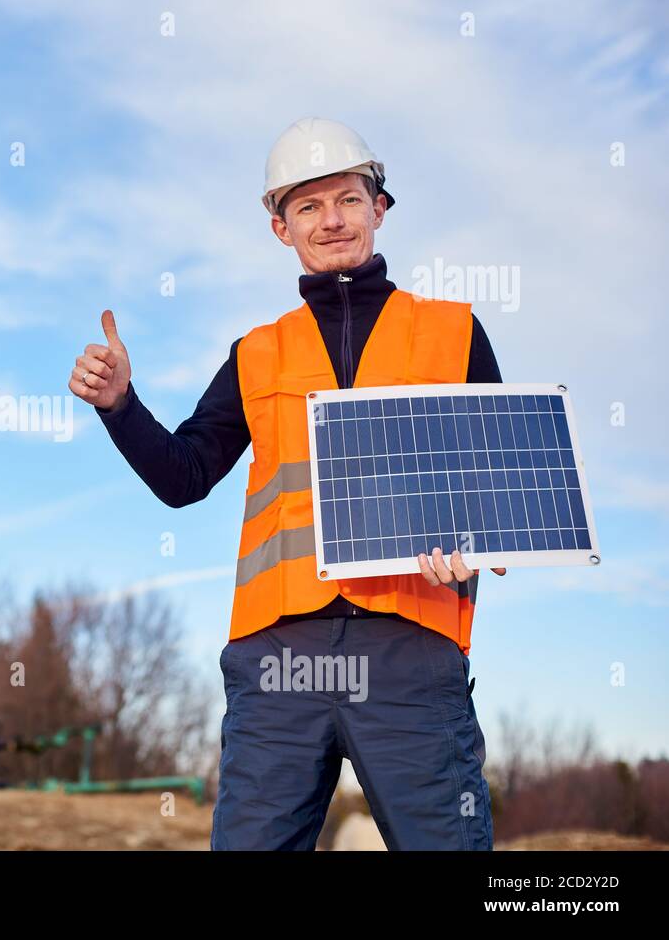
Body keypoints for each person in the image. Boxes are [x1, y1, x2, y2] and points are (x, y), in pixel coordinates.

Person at [68, 118, 505, 850]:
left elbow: (504, 476)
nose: (331, 220)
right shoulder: (256, 353)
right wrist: (120, 407)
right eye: (308, 206)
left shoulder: (453, 332)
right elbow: (184, 476)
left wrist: (476, 536)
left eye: (348, 199)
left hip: (410, 642)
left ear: (380, 208)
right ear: (280, 227)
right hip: (278, 661)